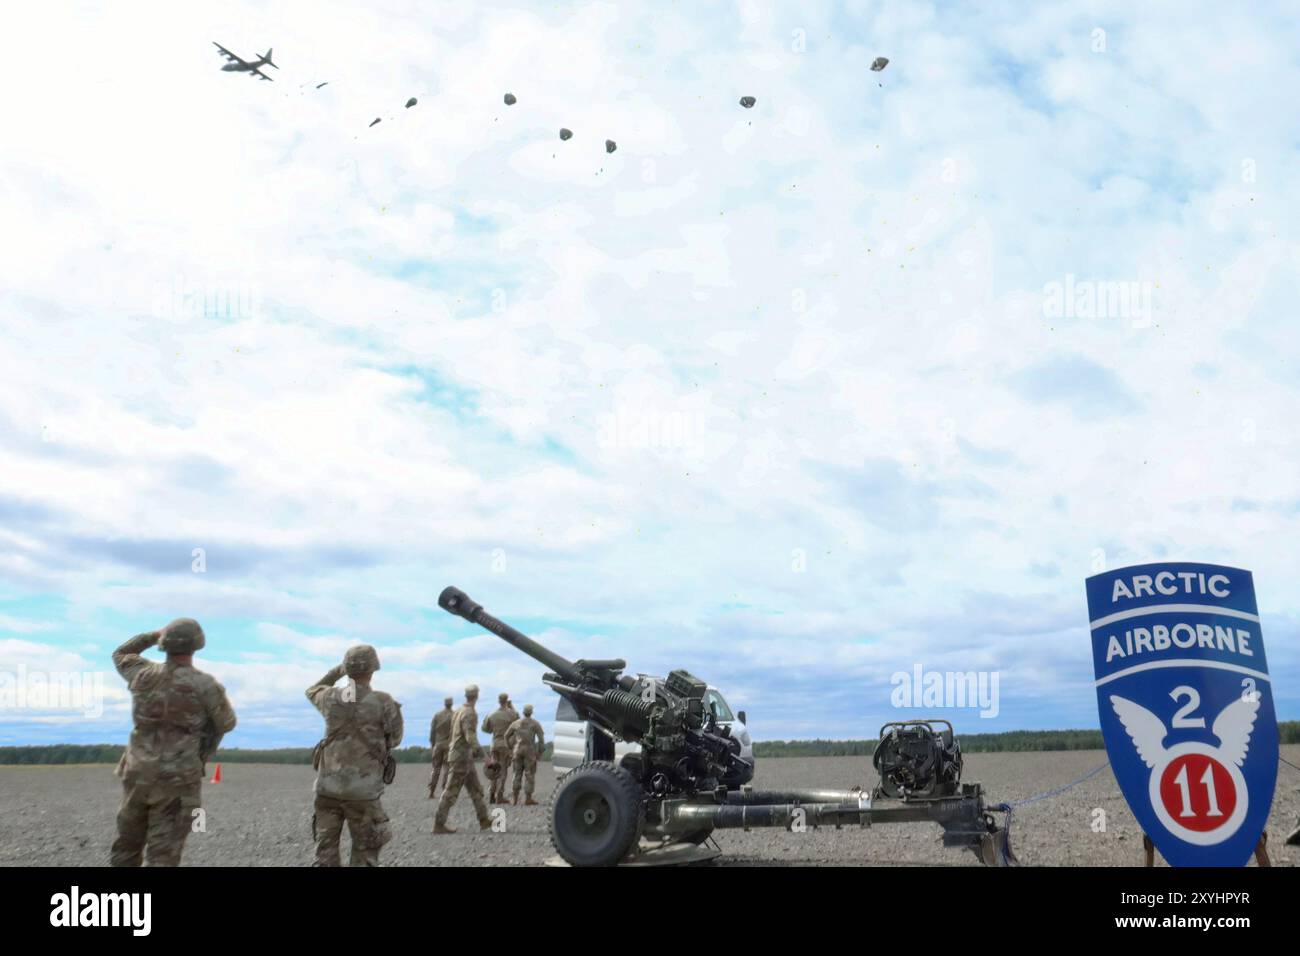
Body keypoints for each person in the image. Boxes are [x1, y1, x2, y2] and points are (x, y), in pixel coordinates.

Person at [110, 619, 236, 866]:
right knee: (163, 854)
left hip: (137, 773)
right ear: (197, 644)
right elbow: (226, 723)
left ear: (164, 644)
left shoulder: (142, 675)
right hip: (177, 778)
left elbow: (121, 653)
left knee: (127, 846)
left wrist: (152, 634)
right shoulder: (205, 685)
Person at [306, 645, 403, 866]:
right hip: (363, 792)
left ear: (346, 669)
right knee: (365, 854)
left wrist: (337, 672)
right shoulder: (383, 701)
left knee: (325, 854)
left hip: (327, 788)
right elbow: (395, 739)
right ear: (373, 669)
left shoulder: (330, 697)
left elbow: (312, 689)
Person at [433, 684, 492, 833]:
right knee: (451, 791)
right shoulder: (469, 713)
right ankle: (439, 824)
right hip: (461, 758)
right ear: (477, 695)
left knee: (476, 789)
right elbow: (470, 736)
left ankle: (484, 820)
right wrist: (484, 756)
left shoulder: (459, 711)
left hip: (463, 757)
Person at [481, 692, 519, 804]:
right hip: (506, 745)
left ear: (498, 701)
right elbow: (519, 724)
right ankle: (500, 795)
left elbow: (485, 729)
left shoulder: (491, 714)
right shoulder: (512, 714)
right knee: (502, 771)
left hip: (495, 744)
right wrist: (511, 707)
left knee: (494, 770)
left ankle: (491, 794)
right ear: (507, 700)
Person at [505, 704, 546, 805]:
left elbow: (506, 735)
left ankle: (514, 798)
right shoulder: (535, 723)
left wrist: (510, 748)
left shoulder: (516, 723)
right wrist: (540, 752)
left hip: (517, 751)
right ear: (531, 712)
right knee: (529, 774)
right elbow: (541, 739)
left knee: (516, 774)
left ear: (523, 712)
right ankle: (528, 798)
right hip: (530, 751)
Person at [427, 696, 454, 798]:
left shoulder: (437, 715)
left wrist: (432, 745)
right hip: (449, 745)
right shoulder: (455, 715)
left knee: (435, 769)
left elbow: (432, 732)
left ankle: (431, 791)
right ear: (451, 704)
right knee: (447, 768)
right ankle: (445, 790)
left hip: (438, 744)